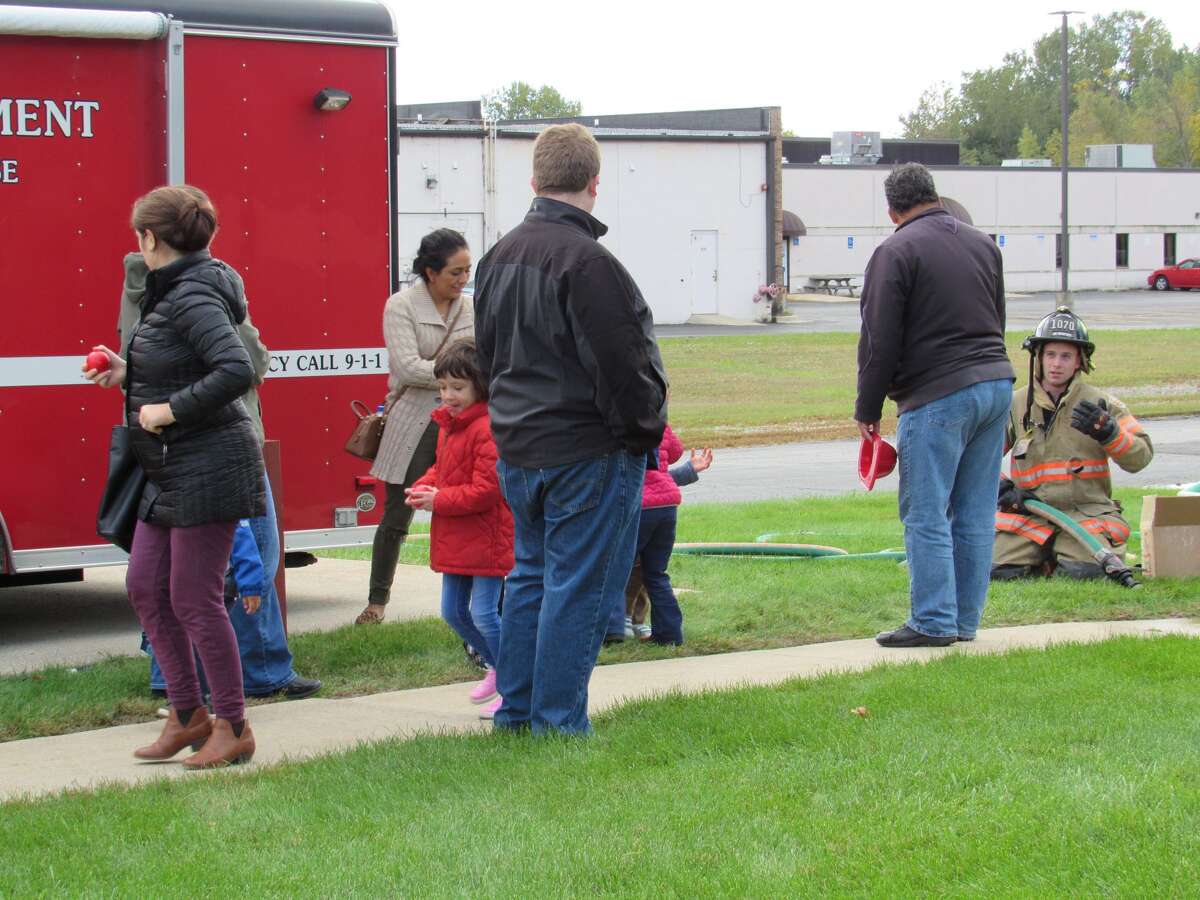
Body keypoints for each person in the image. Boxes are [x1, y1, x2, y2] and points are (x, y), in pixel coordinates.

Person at [474, 123, 668, 735]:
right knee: (576, 587)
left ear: (534, 180)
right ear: (593, 183)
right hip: (585, 449)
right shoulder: (589, 262)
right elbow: (622, 364)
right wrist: (642, 435)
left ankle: (521, 712)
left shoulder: (497, 257)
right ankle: (557, 723)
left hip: (520, 447)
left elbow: (487, 357)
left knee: (532, 578)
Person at [84, 184, 263, 767]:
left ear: (149, 238)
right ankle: (188, 716)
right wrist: (127, 372)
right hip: (170, 468)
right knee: (145, 586)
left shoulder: (192, 293)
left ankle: (233, 725)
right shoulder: (178, 291)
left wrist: (168, 409)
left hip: (209, 463)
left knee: (194, 597)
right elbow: (183, 359)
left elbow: (236, 367)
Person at [119, 250, 321, 702]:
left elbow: (148, 370)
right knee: (244, 565)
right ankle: (234, 698)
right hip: (217, 444)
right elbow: (246, 364)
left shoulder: (143, 289)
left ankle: (182, 690)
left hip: (165, 449)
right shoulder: (204, 289)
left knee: (168, 579)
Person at [854, 163, 1014, 648]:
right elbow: (998, 315)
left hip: (937, 393)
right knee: (974, 511)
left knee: (925, 511)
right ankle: (964, 622)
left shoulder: (895, 250)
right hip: (995, 382)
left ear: (892, 210)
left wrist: (867, 406)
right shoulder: (983, 243)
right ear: (935, 195)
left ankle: (932, 621)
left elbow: (879, 338)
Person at [357, 229, 474, 625]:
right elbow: (406, 366)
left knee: (468, 506)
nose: (462, 280)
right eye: (455, 273)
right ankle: (377, 601)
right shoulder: (401, 305)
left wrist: (453, 381)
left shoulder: (471, 308)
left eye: (466, 271)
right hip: (412, 422)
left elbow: (483, 360)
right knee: (396, 514)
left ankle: (467, 601)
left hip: (463, 423)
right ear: (430, 272)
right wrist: (459, 379)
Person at [992, 308, 1153, 580]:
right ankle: (1044, 558)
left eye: (1066, 356)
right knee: (995, 570)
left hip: (1086, 514)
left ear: (1079, 361)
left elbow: (1141, 458)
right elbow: (977, 455)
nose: (1057, 364)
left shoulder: (1102, 406)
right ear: (1038, 357)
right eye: (1050, 355)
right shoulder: (1015, 404)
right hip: (1030, 512)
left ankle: (1057, 560)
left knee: (1084, 573)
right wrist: (1002, 486)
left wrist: (1110, 434)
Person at [406, 339, 513, 720]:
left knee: (485, 613)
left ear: (480, 387)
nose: (447, 395)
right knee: (453, 612)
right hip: (458, 536)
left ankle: (514, 683)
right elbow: (444, 471)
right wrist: (425, 486)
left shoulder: (487, 428)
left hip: (486, 537)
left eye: (457, 387)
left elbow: (487, 490)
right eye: (442, 387)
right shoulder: (449, 427)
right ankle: (497, 665)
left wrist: (440, 499)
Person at [622, 447, 712, 642]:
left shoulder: (624, 428)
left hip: (639, 507)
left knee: (620, 566)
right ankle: (669, 633)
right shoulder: (659, 428)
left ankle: (619, 625)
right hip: (667, 506)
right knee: (655, 573)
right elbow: (673, 454)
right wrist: (689, 469)